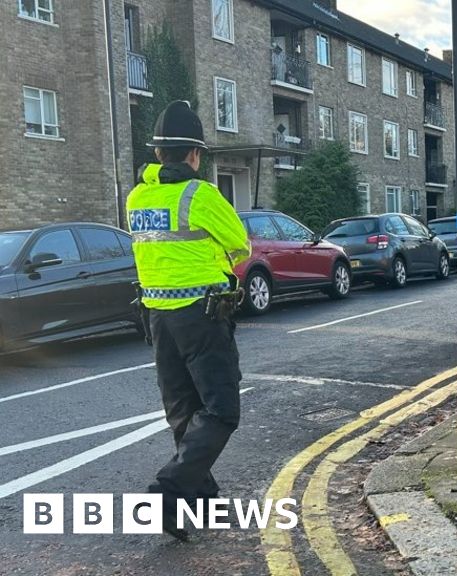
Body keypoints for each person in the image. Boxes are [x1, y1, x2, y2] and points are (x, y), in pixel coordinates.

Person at [126, 100, 251, 541]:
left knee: (182, 409)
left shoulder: (137, 196)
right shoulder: (201, 195)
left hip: (156, 316)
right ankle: (169, 492)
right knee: (220, 409)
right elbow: (240, 247)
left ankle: (196, 500)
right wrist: (214, 264)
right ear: (195, 154)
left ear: (159, 154)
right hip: (201, 314)